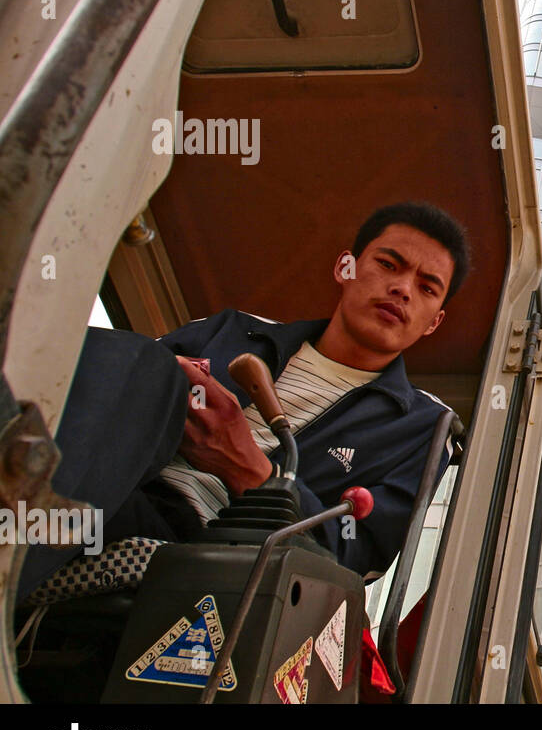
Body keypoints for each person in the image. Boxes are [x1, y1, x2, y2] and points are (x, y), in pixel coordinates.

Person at [17, 201, 469, 601]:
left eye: (427, 287)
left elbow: (354, 559)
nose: (403, 289)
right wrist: (169, 384)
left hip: (207, 545)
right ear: (346, 268)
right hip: (116, 476)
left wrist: (250, 469)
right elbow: (111, 385)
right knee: (127, 361)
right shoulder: (233, 329)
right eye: (389, 264)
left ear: (434, 322)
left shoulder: (423, 429)